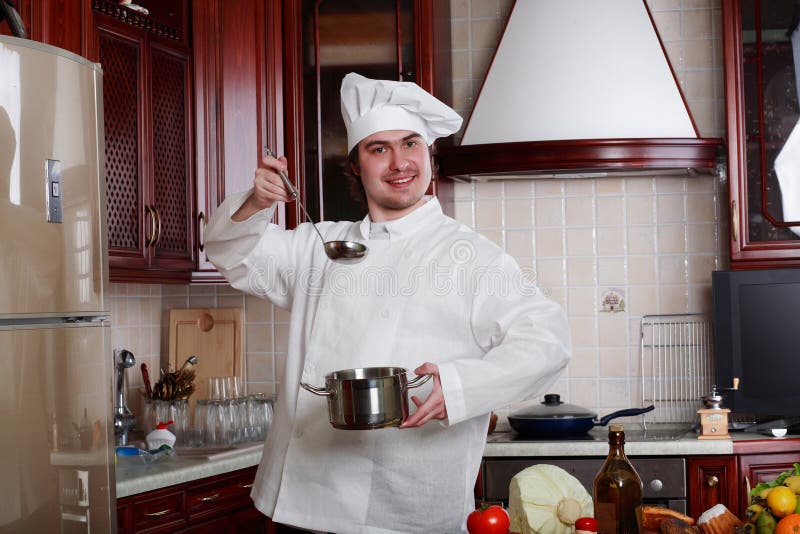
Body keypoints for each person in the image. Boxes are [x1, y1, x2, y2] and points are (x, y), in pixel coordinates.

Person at [204, 72, 571, 533]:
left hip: (402, 512)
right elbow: (230, 252)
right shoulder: (318, 246)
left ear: (429, 156)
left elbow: (548, 342)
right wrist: (256, 203)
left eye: (410, 144)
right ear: (356, 166)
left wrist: (458, 387)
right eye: (379, 149)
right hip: (301, 507)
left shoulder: (470, 257)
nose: (399, 162)